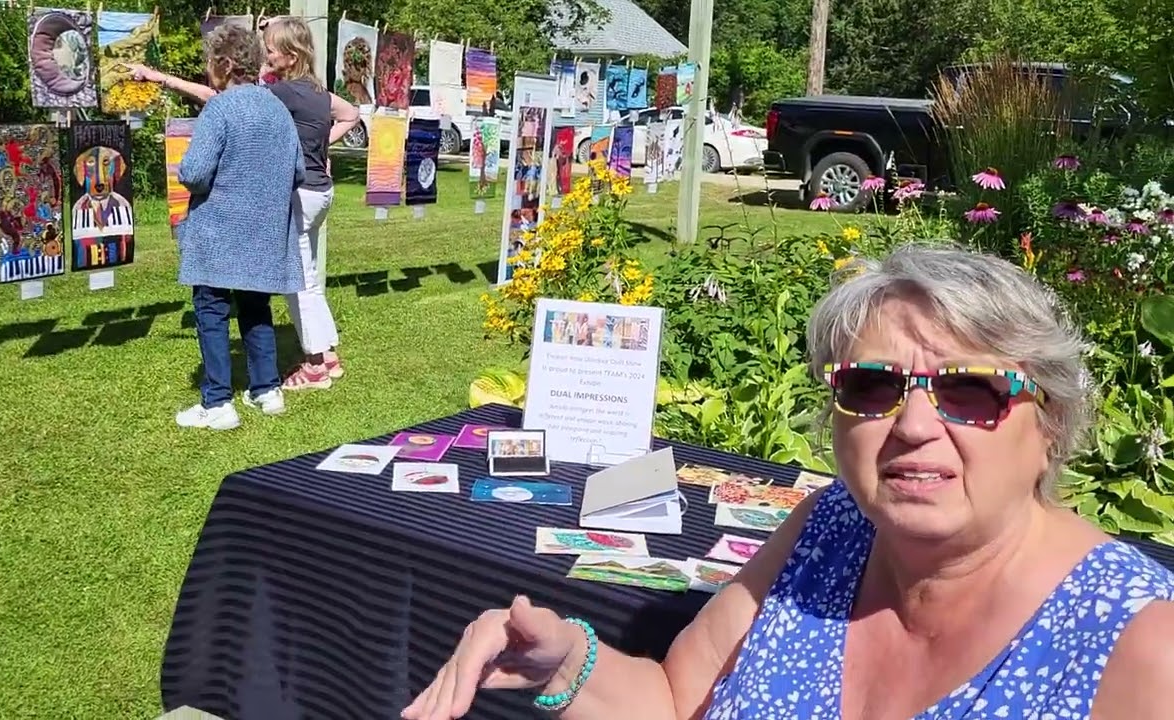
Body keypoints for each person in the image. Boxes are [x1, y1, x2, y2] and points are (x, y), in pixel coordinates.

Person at [402, 245, 1174, 720]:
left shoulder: (1138, 643)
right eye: (872, 386)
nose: (912, 425)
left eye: (971, 391)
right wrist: (567, 661)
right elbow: (676, 701)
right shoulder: (832, 528)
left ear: (1050, 426)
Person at [129, 19, 360, 391]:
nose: (266, 56)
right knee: (310, 278)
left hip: (299, 193)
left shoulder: (281, 94)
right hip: (321, 190)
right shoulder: (317, 91)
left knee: (298, 282)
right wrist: (319, 147)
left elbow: (221, 100)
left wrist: (164, 79)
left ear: (291, 55)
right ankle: (328, 355)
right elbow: (351, 114)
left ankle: (316, 364)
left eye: (271, 49)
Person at [173, 24, 305, 430]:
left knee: (211, 310)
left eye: (209, 62)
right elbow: (298, 170)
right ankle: (266, 389)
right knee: (255, 307)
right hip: (263, 230)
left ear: (226, 64)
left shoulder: (220, 109)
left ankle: (217, 403)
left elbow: (194, 173)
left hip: (219, 229)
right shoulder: (277, 109)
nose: (207, 69)